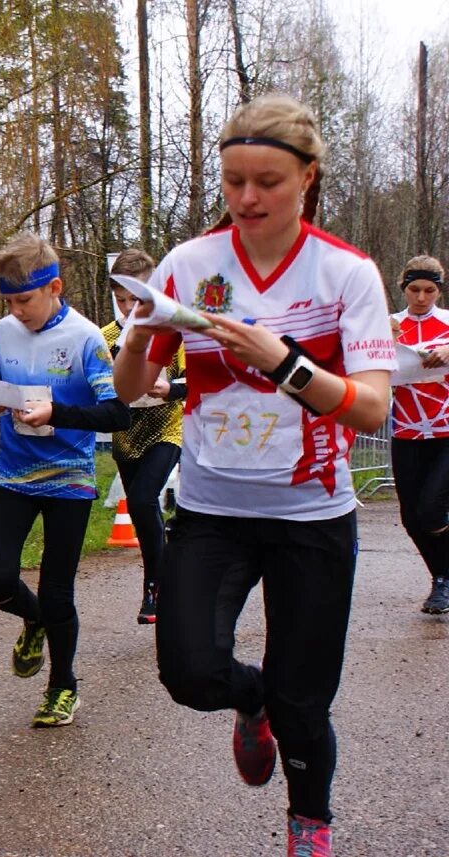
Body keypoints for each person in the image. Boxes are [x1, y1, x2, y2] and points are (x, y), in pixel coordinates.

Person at [113, 93, 395, 856]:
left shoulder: (346, 273)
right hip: (212, 511)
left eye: (267, 180)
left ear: (307, 177)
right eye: (234, 180)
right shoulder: (192, 263)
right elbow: (130, 388)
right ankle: (251, 703)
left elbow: (371, 410)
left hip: (312, 517)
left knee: (308, 701)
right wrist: (142, 334)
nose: (246, 198)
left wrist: (288, 364)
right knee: (189, 672)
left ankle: (310, 824)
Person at [0, 231, 130, 728]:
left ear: (54, 287)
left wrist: (57, 412)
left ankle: (63, 687)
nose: (17, 310)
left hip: (69, 479)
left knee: (59, 590)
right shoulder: (4, 330)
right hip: (13, 475)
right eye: (9, 301)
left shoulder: (85, 338)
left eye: (26, 300)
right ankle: (32, 618)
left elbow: (117, 412)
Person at [99, 249, 185, 624]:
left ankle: (156, 587)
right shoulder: (105, 336)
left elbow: (197, 379)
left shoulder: (172, 329)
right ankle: (168, 551)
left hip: (168, 423)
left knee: (143, 496)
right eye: (122, 300)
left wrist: (173, 389)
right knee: (139, 507)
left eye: (138, 299)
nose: (130, 307)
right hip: (127, 430)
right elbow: (99, 388)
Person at [389, 256, 449, 615]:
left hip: (446, 430)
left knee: (431, 508)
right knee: (412, 517)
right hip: (406, 431)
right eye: (414, 289)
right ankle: (441, 577)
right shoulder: (390, 324)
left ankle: (444, 577)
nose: (422, 297)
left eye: (429, 290)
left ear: (439, 290)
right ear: (404, 288)